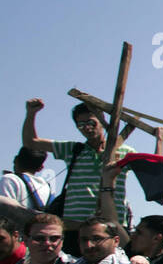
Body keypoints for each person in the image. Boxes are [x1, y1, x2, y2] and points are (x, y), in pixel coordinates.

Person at [22, 99, 134, 250]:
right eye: (81, 125)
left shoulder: (124, 151)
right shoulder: (73, 149)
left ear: (101, 120)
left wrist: (159, 140)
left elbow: (153, 169)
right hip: (75, 229)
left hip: (112, 228)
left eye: (91, 122)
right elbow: (31, 142)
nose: (87, 128)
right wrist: (31, 113)